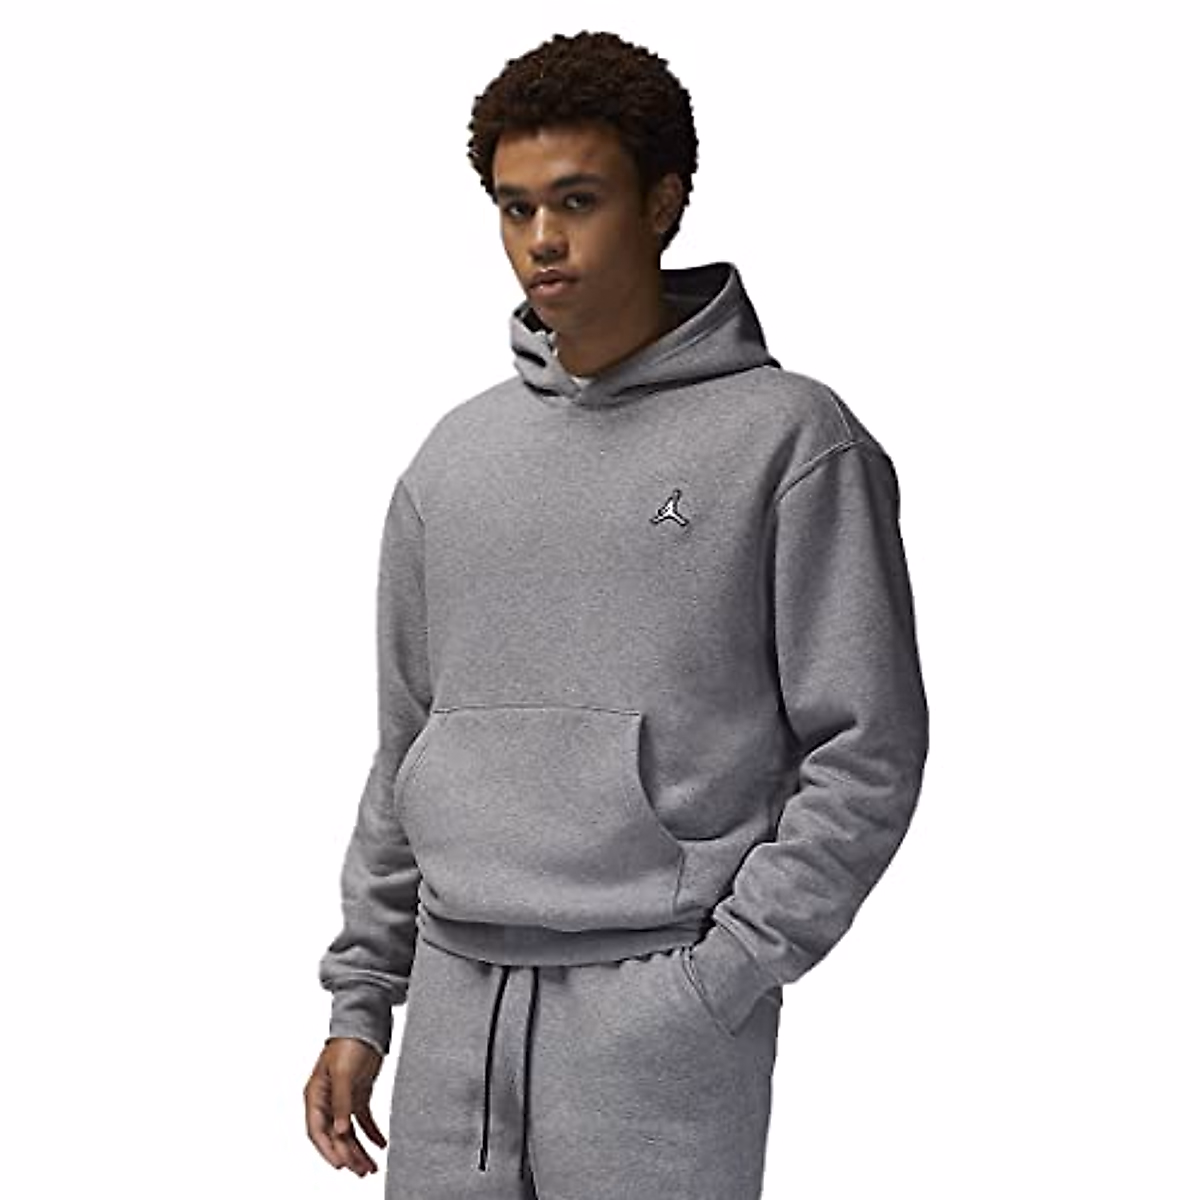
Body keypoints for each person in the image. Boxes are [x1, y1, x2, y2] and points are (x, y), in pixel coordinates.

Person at [303, 29, 929, 1200]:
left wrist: (723, 975)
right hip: (452, 1015)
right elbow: (407, 748)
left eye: (577, 200)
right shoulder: (453, 461)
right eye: (516, 208)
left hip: (658, 1020)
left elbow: (867, 748)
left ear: (662, 201)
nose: (542, 238)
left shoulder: (791, 442)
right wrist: (363, 1000)